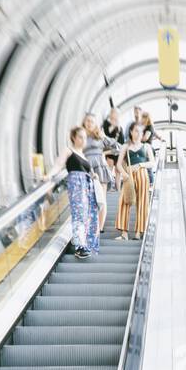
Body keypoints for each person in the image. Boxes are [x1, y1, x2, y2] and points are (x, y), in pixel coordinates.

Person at [48, 126, 96, 258]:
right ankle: (80, 246)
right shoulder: (69, 150)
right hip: (75, 184)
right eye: (80, 137)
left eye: (84, 137)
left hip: (86, 187)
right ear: (73, 137)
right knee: (79, 214)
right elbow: (59, 164)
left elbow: (88, 171)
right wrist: (49, 175)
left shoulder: (83, 154)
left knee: (85, 214)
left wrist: (93, 176)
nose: (83, 140)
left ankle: (82, 243)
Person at [81, 114, 121, 234]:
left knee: (101, 199)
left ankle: (99, 228)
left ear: (95, 124)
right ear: (84, 122)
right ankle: (91, 225)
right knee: (88, 199)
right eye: (87, 121)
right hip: (86, 168)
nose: (89, 123)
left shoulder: (99, 136)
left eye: (92, 121)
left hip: (100, 168)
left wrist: (104, 141)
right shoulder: (80, 136)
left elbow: (117, 146)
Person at [114, 123, 153, 241]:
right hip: (128, 175)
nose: (138, 133)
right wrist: (124, 174)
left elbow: (152, 162)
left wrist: (141, 164)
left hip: (142, 174)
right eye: (136, 131)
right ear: (131, 132)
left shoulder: (146, 146)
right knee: (124, 201)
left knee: (142, 202)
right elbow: (119, 164)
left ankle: (138, 232)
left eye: (140, 132)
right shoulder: (125, 146)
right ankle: (124, 233)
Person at [101, 108, 124, 188]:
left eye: (116, 114)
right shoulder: (106, 123)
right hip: (109, 150)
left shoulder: (120, 127)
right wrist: (113, 126)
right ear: (111, 114)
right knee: (109, 167)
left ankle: (118, 189)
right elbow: (106, 135)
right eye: (113, 113)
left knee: (118, 171)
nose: (115, 116)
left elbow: (121, 141)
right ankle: (108, 187)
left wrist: (117, 127)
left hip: (117, 150)